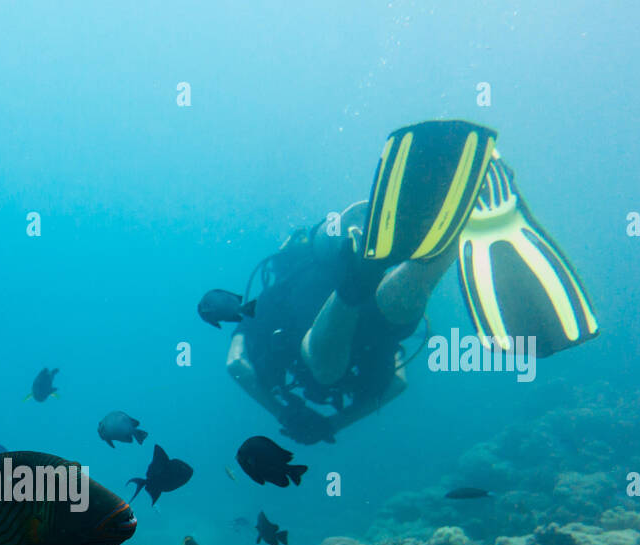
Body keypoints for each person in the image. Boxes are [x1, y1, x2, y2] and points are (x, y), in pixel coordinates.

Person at [212, 120, 599, 445]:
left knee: (326, 366)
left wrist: (293, 415)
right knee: (395, 306)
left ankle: (375, 271)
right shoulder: (271, 295)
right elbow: (396, 383)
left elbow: (236, 365)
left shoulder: (269, 300)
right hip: (371, 327)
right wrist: (332, 424)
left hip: (334, 329)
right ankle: (446, 235)